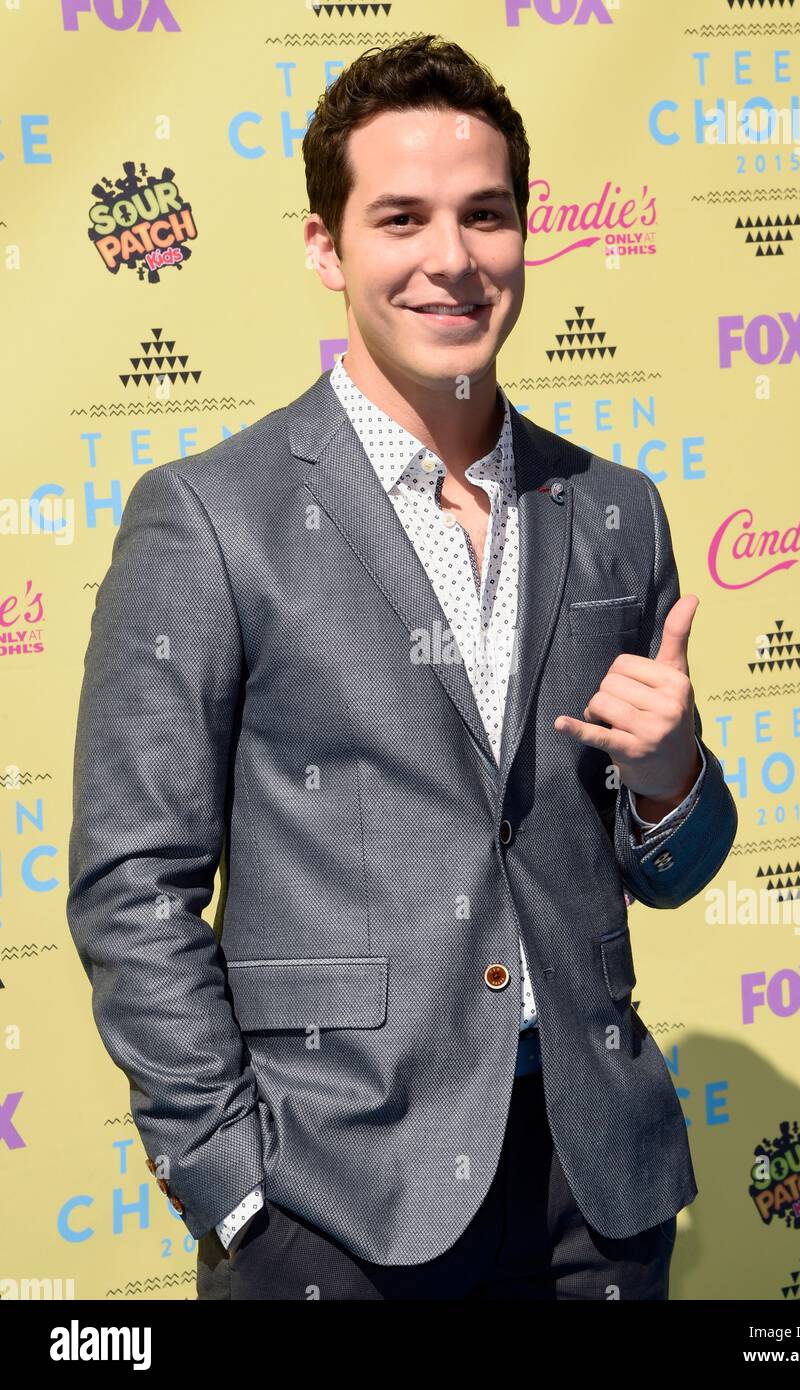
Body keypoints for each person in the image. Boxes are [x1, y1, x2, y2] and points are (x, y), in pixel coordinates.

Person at [66, 34, 737, 1301]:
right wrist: (235, 1181)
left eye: (485, 215)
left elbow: (674, 869)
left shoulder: (613, 510)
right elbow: (130, 885)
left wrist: (670, 777)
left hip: (598, 1189)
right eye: (401, 217)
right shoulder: (212, 519)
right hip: (336, 1201)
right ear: (326, 247)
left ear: (525, 235)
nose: (452, 257)